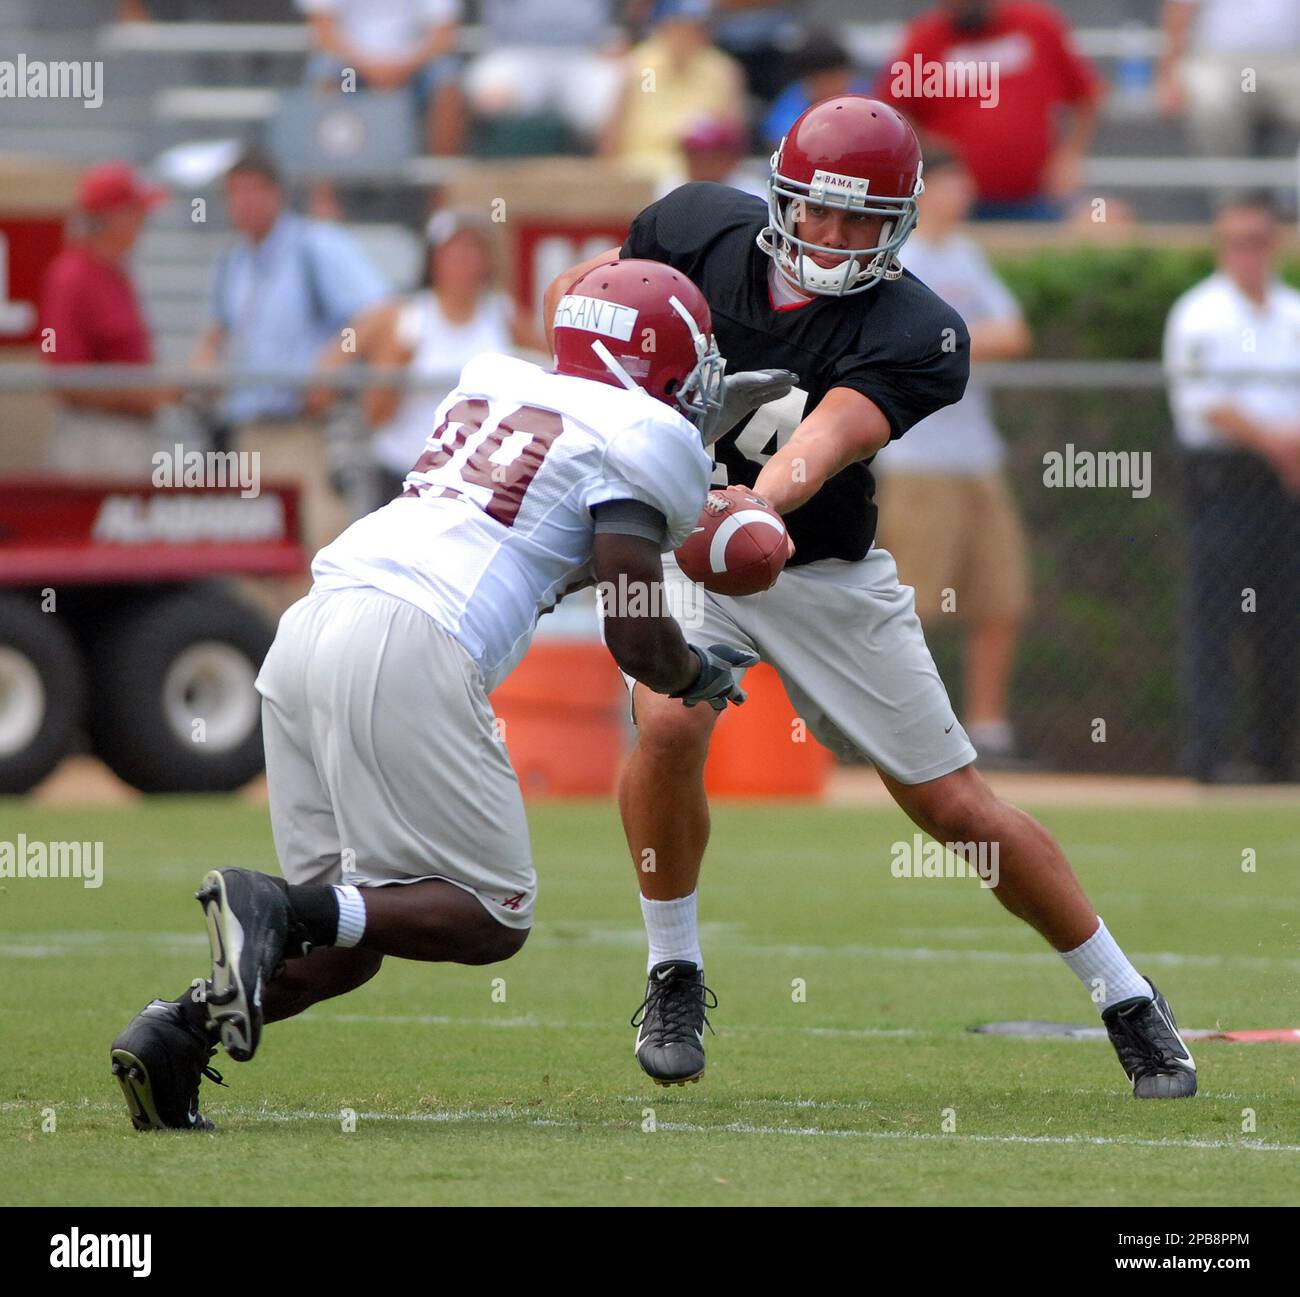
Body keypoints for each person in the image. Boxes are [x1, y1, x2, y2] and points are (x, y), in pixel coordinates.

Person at [546, 95, 1198, 1100]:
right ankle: (672, 968)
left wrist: (746, 507)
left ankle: (1125, 997)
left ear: (898, 224)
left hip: (818, 570)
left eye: (862, 221)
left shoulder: (917, 327)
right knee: (669, 726)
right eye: (821, 212)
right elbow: (587, 303)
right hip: (683, 543)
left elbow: (822, 442)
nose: (837, 237)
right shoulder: (692, 229)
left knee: (952, 806)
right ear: (783, 201)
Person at [108, 259, 779, 1131]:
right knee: (492, 915)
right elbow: (636, 628)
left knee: (347, 944)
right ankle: (276, 901)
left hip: (314, 625)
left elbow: (557, 506)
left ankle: (173, 1035)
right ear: (660, 369)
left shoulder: (495, 382)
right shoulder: (644, 436)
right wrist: (696, 673)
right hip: (412, 639)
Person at [875, 145, 1034, 767]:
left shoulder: (967, 254)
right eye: (948, 181)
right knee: (912, 602)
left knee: (1000, 597)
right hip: (918, 461)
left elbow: (1014, 334)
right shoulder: (898, 259)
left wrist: (952, 343)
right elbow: (907, 346)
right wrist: (961, 341)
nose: (961, 191)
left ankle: (988, 729)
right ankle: (897, 731)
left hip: (976, 458)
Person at [191, 149, 389, 579]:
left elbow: (378, 311)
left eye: (253, 191)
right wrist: (204, 368)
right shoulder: (233, 262)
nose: (244, 203)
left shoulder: (314, 247)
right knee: (255, 559)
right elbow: (217, 331)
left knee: (316, 544)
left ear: (277, 194)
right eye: (235, 193)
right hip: (248, 433)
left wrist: (330, 363)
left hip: (304, 432)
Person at [1163, 194, 1300, 785]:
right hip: (1224, 482)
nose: (1247, 254)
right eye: (1235, 242)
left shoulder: (1292, 311)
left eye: (1257, 241)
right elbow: (1202, 402)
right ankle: (1210, 756)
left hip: (1286, 488)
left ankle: (1276, 755)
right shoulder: (1200, 313)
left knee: (1285, 621)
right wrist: (1275, 443)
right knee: (1216, 618)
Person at [309, 210, 544, 510]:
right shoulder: (401, 316)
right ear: (434, 259)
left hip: (476, 482)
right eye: (454, 251)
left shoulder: (504, 316)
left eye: (473, 250)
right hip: (404, 473)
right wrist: (395, 367)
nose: (464, 261)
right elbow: (364, 406)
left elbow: (549, 368)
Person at [876, 0, 1101, 220]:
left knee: (1103, 217)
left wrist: (1069, 156)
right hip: (958, 207)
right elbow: (891, 114)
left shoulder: (1036, 25)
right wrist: (934, 160)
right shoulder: (925, 39)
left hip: (1037, 197)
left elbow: (1086, 96)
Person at [38, 162, 175, 480]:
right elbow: (65, 378)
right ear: (116, 218)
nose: (144, 223)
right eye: (138, 214)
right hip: (95, 439)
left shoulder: (115, 272)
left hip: (126, 435)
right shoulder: (70, 277)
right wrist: (144, 394)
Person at [600, 0, 746, 189]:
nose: (686, 35)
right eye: (679, 25)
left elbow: (731, 133)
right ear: (664, 27)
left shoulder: (722, 70)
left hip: (700, 171)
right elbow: (618, 129)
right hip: (643, 170)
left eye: (695, 27)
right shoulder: (643, 67)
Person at [297, 0, 466, 156]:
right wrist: (368, 67)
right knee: (325, 78)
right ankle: (324, 182)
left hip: (415, 70)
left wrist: (403, 67)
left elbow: (444, 33)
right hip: (351, 72)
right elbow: (323, 30)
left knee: (447, 83)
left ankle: (441, 184)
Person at [1157, 0, 1300, 165]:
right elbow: (1179, 9)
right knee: (1211, 100)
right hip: (1219, 64)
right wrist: (1168, 77)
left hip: (1289, 64)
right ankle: (1236, 189)